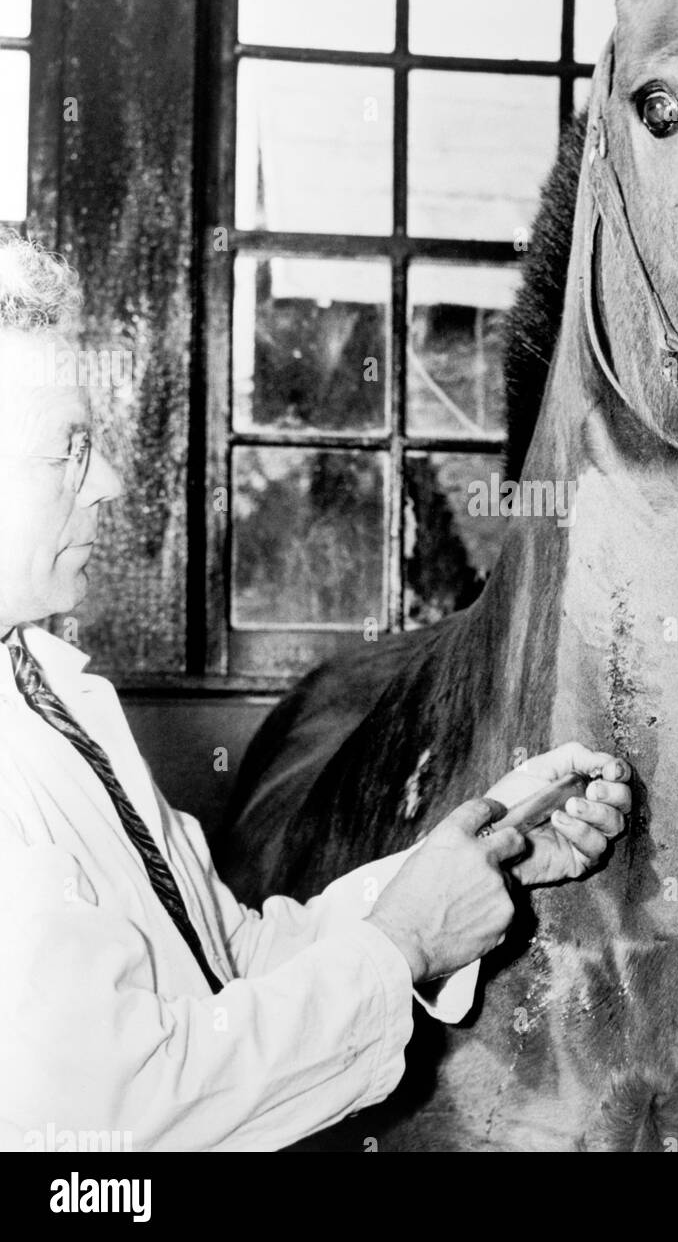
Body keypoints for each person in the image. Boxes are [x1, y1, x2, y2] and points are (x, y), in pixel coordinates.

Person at [0, 232, 632, 1151]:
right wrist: (406, 945)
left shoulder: (48, 698)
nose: (108, 482)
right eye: (69, 447)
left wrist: (476, 859)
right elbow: (108, 1118)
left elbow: (235, 963)